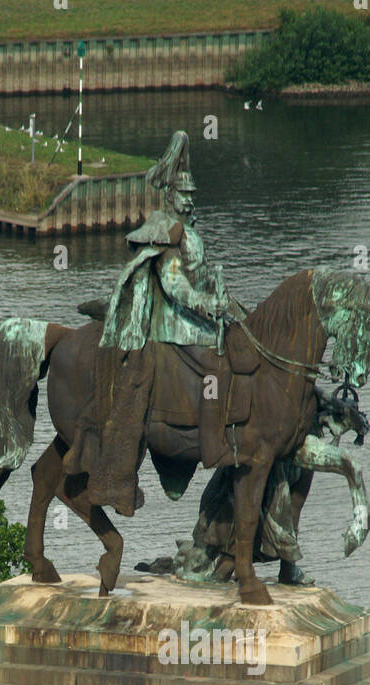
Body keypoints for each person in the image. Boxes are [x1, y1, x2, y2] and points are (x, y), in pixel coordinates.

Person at [94, 130, 230, 516]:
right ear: (170, 196)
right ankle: (211, 437)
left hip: (193, 313)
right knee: (215, 363)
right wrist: (205, 303)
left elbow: (196, 276)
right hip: (171, 323)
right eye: (185, 196)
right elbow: (173, 285)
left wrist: (219, 295)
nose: (191, 201)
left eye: (192, 196)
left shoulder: (187, 231)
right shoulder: (168, 231)